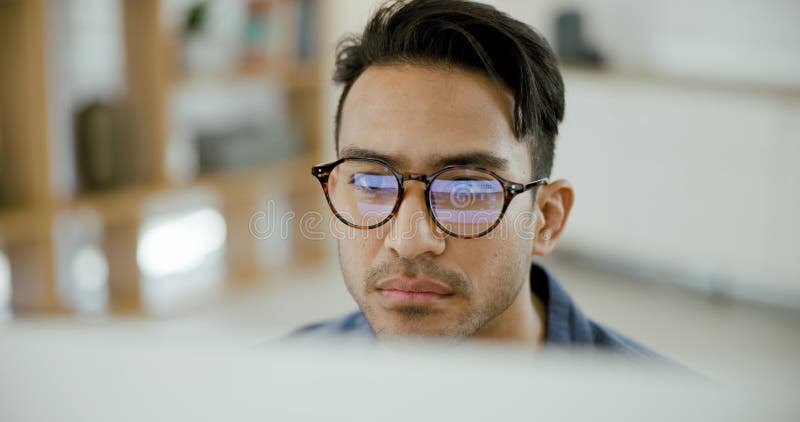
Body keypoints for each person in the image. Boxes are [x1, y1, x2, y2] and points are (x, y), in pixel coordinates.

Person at [294, 0, 655, 357]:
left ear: (546, 219)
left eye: (464, 191)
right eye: (372, 185)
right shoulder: (277, 381)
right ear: (336, 193)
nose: (408, 242)